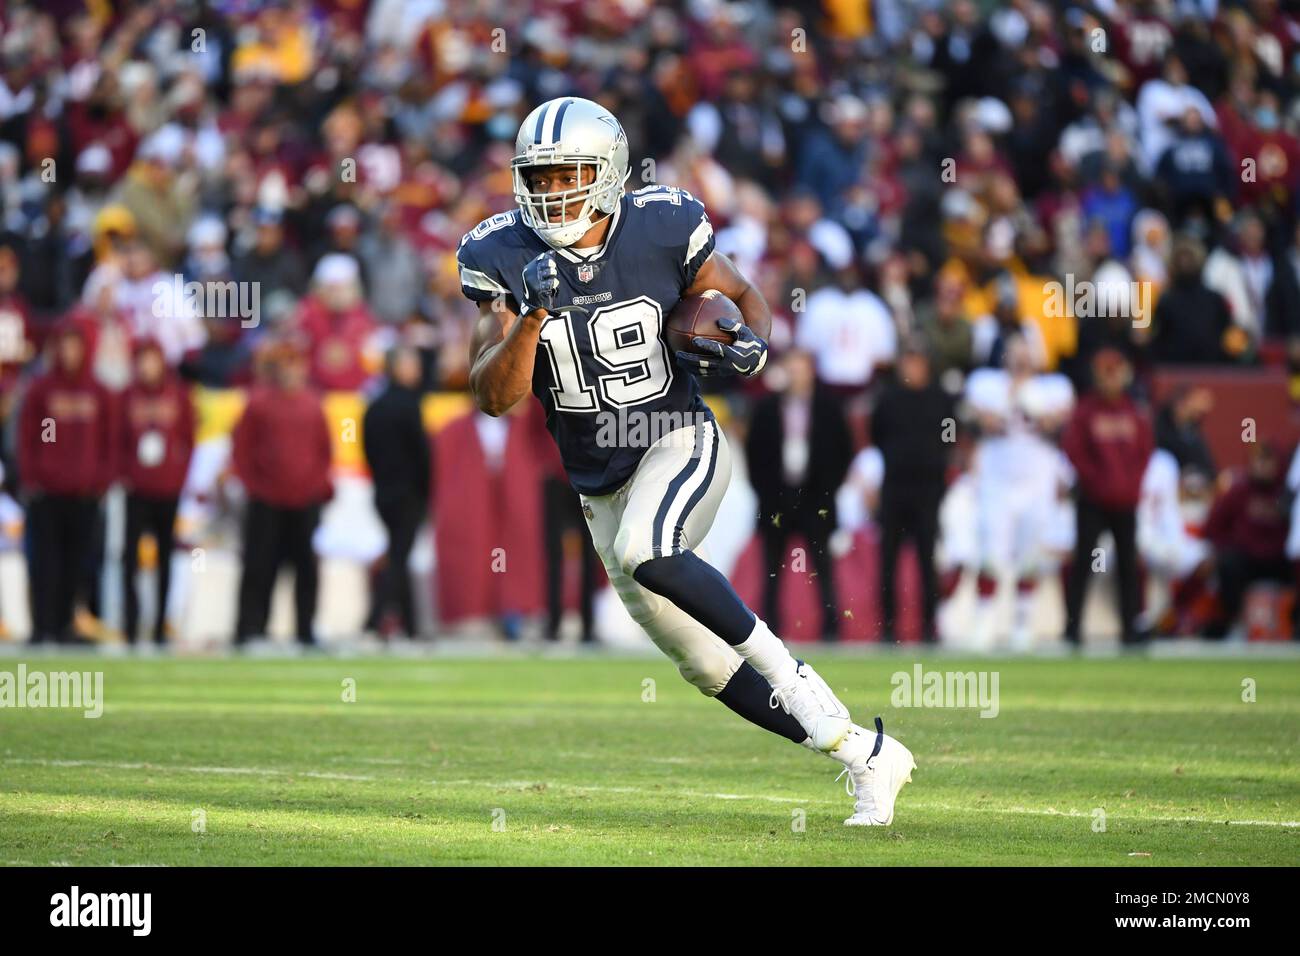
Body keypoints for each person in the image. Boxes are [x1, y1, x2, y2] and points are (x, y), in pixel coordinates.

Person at [458, 97, 914, 826]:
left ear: (607, 172)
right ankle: (865, 754)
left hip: (678, 437)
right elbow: (491, 394)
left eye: (568, 174)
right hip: (596, 483)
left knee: (649, 547)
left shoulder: (664, 224)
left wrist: (752, 344)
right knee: (703, 665)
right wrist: (533, 318)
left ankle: (792, 675)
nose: (552, 193)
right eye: (538, 178)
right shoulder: (500, 256)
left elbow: (742, 297)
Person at [745, 348, 853, 641]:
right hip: (776, 500)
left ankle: (831, 629)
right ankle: (769, 632)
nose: (795, 374)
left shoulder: (829, 408)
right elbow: (754, 454)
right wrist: (766, 493)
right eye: (790, 368)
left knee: (823, 568)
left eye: (800, 368)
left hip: (815, 500)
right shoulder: (766, 408)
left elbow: (843, 452)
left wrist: (827, 490)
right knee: (771, 570)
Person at [18, 323, 116, 643]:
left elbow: (107, 441)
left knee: (78, 563)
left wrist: (100, 479)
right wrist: (38, 473)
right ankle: (42, 626)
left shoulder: (97, 392)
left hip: (85, 494)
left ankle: (66, 625)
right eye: (65, 346)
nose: (70, 353)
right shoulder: (43, 390)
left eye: (76, 346)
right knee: (45, 561)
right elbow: (37, 434)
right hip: (48, 492)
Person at [231, 339, 333, 646]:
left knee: (306, 569)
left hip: (304, 500)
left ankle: (305, 628)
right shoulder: (258, 403)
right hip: (266, 500)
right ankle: (250, 628)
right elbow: (242, 450)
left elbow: (324, 451)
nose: (292, 370)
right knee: (259, 566)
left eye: (296, 363)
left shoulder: (313, 404)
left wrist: (316, 487)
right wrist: (255, 487)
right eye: (286, 364)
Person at [1061, 348, 1154, 645]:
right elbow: (1074, 450)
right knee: (1083, 563)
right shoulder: (1086, 410)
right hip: (1092, 501)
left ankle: (1130, 627)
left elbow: (1143, 453)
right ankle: (1073, 627)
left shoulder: (1132, 410)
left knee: (1128, 565)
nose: (1110, 378)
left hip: (1125, 501)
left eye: (1115, 371)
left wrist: (1130, 486)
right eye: (1105, 371)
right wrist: (1097, 483)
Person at [872, 340, 954, 643]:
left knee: (926, 557)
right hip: (895, 487)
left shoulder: (940, 399)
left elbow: (950, 435)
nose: (912, 368)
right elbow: (878, 435)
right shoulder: (889, 399)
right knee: (889, 559)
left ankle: (930, 624)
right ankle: (889, 626)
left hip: (928, 489)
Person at [118, 338, 196, 645]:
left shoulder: (178, 394)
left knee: (165, 557)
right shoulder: (127, 396)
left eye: (152, 360)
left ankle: (163, 623)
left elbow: (189, 440)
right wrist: (125, 474)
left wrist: (178, 476)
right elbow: (117, 440)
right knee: (130, 558)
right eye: (143, 360)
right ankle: (130, 623)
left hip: (168, 488)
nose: (148, 367)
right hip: (136, 488)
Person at [362, 345, 431, 639]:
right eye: (410, 363)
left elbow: (368, 451)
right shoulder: (409, 405)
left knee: (398, 553)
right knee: (400, 557)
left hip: (383, 492)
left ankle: (411, 625)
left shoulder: (374, 405)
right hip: (408, 494)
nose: (417, 370)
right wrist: (426, 493)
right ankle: (373, 620)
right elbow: (422, 455)